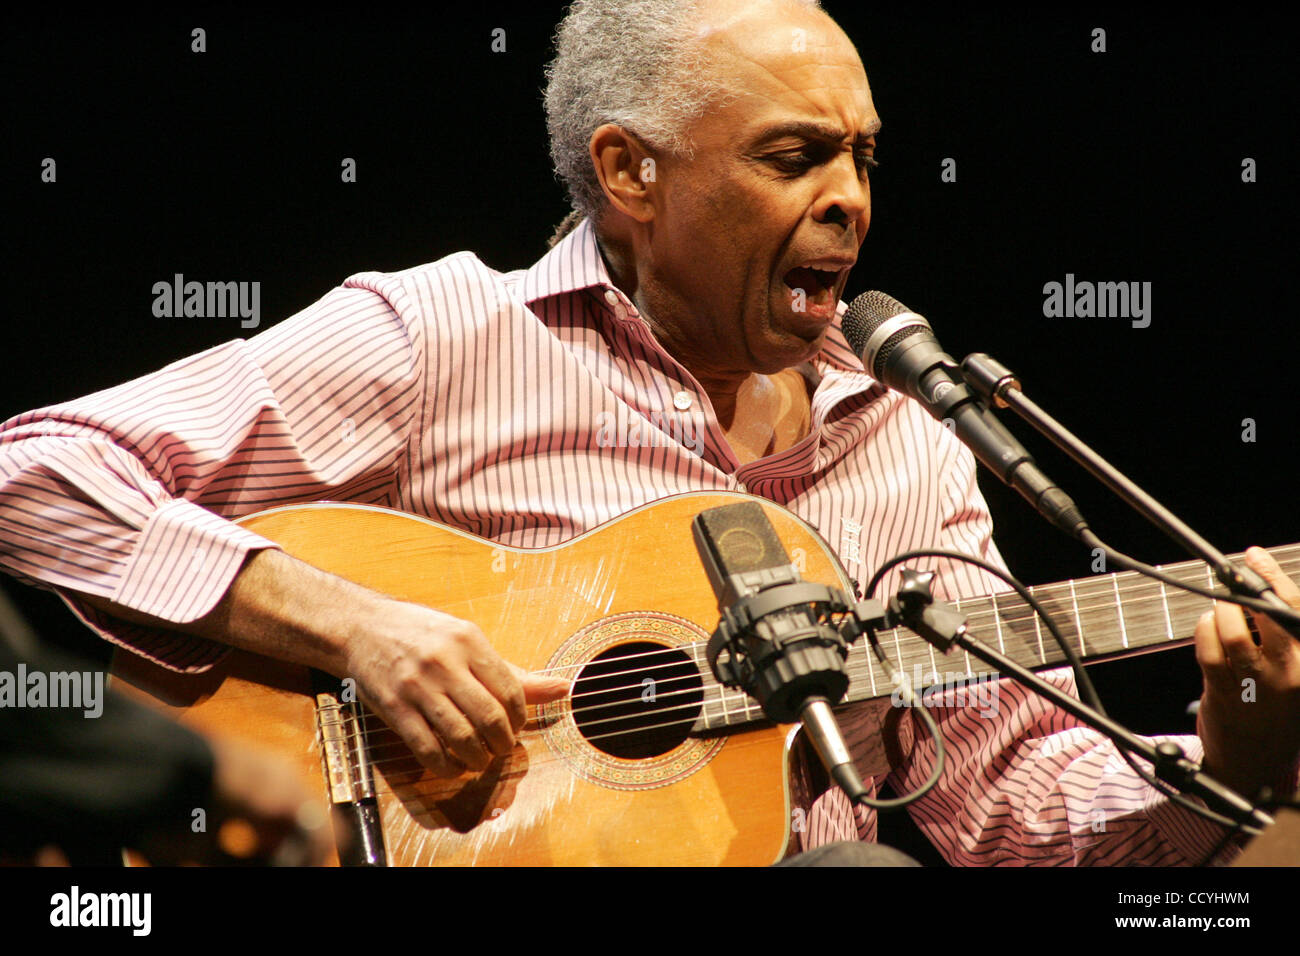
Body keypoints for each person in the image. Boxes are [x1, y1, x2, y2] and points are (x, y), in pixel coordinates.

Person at [1, 0, 1297, 865]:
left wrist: (1233, 759)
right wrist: (352, 628)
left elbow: (1014, 811)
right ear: (631, 175)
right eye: (795, 158)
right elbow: (34, 473)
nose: (848, 200)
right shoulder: (444, 337)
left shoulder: (908, 435)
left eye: (865, 159)